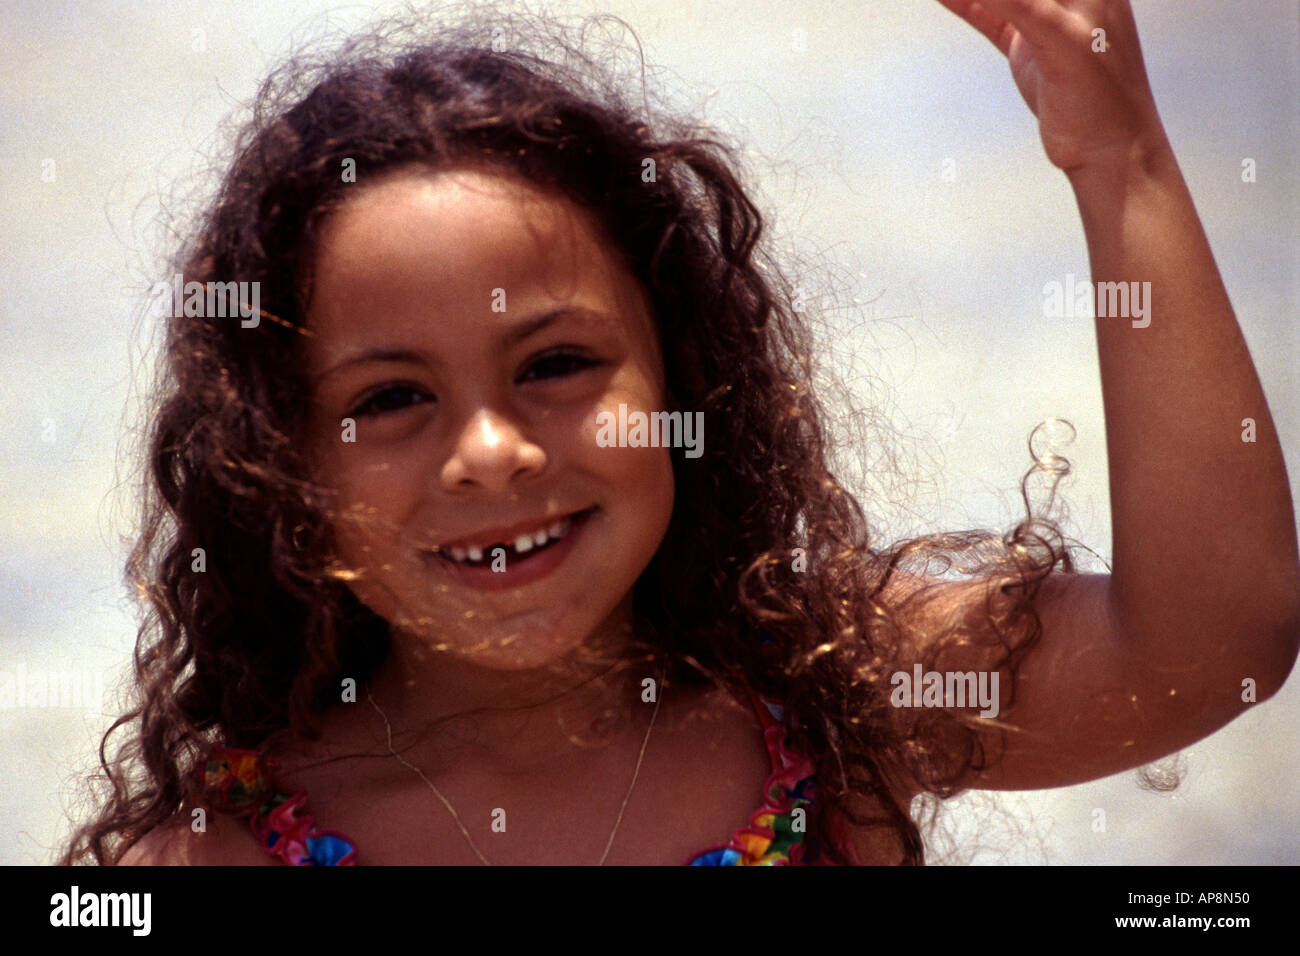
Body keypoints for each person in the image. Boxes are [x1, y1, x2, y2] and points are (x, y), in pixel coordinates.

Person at [60, 0, 1298, 866]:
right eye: (389, 398)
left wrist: (1117, 157)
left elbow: (1216, 640)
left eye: (556, 364)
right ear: (279, 462)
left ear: (683, 379)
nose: (492, 449)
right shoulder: (217, 851)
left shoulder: (835, 696)